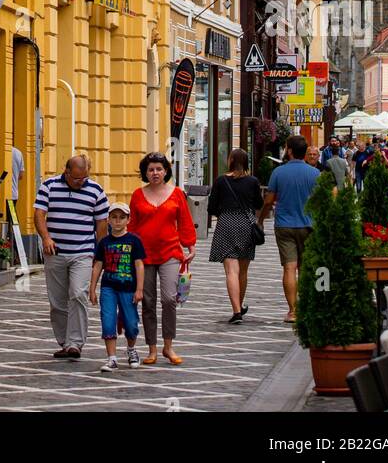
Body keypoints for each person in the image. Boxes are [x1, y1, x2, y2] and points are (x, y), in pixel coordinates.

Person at [34, 154, 108, 359]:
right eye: (76, 178)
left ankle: (75, 343)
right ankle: (65, 342)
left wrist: (99, 253)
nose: (80, 182)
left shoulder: (96, 191)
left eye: (84, 178)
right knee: (57, 301)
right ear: (66, 172)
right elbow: (39, 214)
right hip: (55, 252)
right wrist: (46, 238)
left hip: (83, 252)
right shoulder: (49, 186)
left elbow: (102, 224)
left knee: (78, 293)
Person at [128, 152, 197, 365]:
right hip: (143, 255)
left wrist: (190, 246)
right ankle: (152, 349)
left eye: (159, 169)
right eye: (151, 170)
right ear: (145, 173)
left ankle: (168, 346)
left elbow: (185, 220)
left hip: (170, 252)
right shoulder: (138, 195)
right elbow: (131, 226)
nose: (155, 173)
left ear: (166, 171)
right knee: (148, 302)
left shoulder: (176, 194)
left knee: (169, 298)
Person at [258, 134, 320, 323]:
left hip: (285, 225)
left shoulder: (279, 172)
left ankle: (292, 311)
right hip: (309, 225)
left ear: (290, 151)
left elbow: (269, 201)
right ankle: (307, 307)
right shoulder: (315, 174)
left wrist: (260, 220)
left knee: (289, 268)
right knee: (307, 268)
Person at [207, 148, 264, 323]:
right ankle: (239, 303)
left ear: (230, 160)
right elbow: (259, 203)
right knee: (243, 270)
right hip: (246, 224)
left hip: (226, 223)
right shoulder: (253, 181)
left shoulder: (221, 181)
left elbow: (212, 207)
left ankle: (236, 311)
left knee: (231, 270)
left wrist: (223, 215)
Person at [89, 202, 146, 372]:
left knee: (131, 323)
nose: (118, 221)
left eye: (122, 217)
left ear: (128, 220)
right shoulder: (104, 242)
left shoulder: (134, 241)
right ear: (108, 220)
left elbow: (139, 265)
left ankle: (131, 349)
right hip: (109, 288)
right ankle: (112, 358)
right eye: (114, 217)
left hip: (128, 288)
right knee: (108, 321)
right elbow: (98, 265)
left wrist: (140, 289)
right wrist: (92, 288)